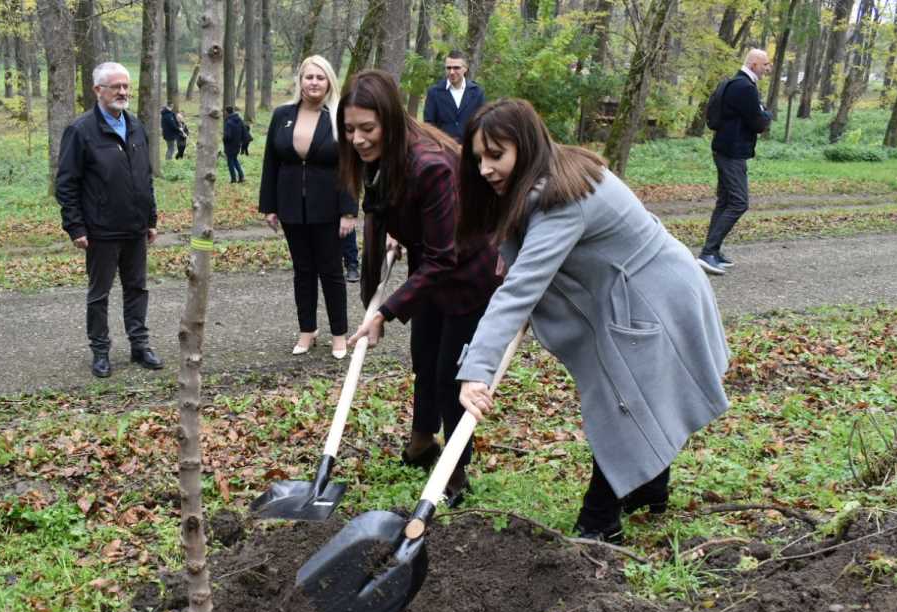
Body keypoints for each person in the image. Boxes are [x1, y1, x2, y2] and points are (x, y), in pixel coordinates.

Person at [455, 99, 730, 543]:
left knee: (623, 401)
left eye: (496, 155)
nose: (485, 169)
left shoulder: (562, 197)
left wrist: (476, 371)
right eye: (478, 158)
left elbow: (519, 290)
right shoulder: (550, 174)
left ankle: (599, 523)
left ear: (526, 147)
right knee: (641, 394)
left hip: (656, 294)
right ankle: (650, 491)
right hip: (640, 287)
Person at [342, 70, 502, 507]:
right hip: (430, 270)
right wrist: (403, 230)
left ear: (391, 121)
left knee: (452, 371)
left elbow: (443, 257)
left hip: (467, 274)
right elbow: (393, 206)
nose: (357, 139)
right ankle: (421, 440)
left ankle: (455, 472)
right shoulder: (383, 156)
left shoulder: (430, 164)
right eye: (350, 129)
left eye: (367, 128)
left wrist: (384, 312)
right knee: (424, 358)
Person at [56, 62, 164, 379]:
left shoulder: (136, 126)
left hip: (135, 227)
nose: (123, 92)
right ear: (98, 90)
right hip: (100, 230)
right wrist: (75, 226)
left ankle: (139, 345)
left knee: (137, 288)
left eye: (126, 86)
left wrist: (151, 218)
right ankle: (100, 351)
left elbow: (144, 178)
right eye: (116, 86)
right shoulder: (81, 131)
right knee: (99, 294)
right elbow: (66, 183)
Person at [259, 55, 358, 359]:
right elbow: (270, 162)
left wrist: (349, 210)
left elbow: (350, 166)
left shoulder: (339, 116)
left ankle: (339, 334)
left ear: (329, 82)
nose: (314, 82)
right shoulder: (282, 114)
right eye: (309, 77)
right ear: (300, 80)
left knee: (331, 272)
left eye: (320, 77)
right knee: (302, 272)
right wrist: (269, 206)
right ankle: (307, 330)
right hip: (291, 207)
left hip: (328, 208)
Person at [698, 48, 773, 276]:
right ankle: (707, 253)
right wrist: (767, 114)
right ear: (753, 65)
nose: (768, 68)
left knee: (725, 201)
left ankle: (713, 251)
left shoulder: (733, 83)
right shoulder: (745, 88)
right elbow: (759, 123)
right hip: (732, 152)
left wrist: (761, 113)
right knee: (739, 202)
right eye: (765, 64)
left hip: (724, 148)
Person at [422, 51, 486, 144]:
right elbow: (429, 125)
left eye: (456, 68)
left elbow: (481, 124)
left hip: (469, 148)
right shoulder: (434, 92)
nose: (452, 72)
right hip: (443, 148)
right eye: (448, 68)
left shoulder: (477, 92)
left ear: (465, 68)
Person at [223, 106, 248, 183]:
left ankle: (233, 179)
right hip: (237, 144)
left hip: (230, 145)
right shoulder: (240, 120)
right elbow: (244, 131)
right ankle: (241, 176)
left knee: (230, 162)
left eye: (225, 111)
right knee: (235, 160)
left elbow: (227, 136)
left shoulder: (228, 122)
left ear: (226, 112)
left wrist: (223, 139)